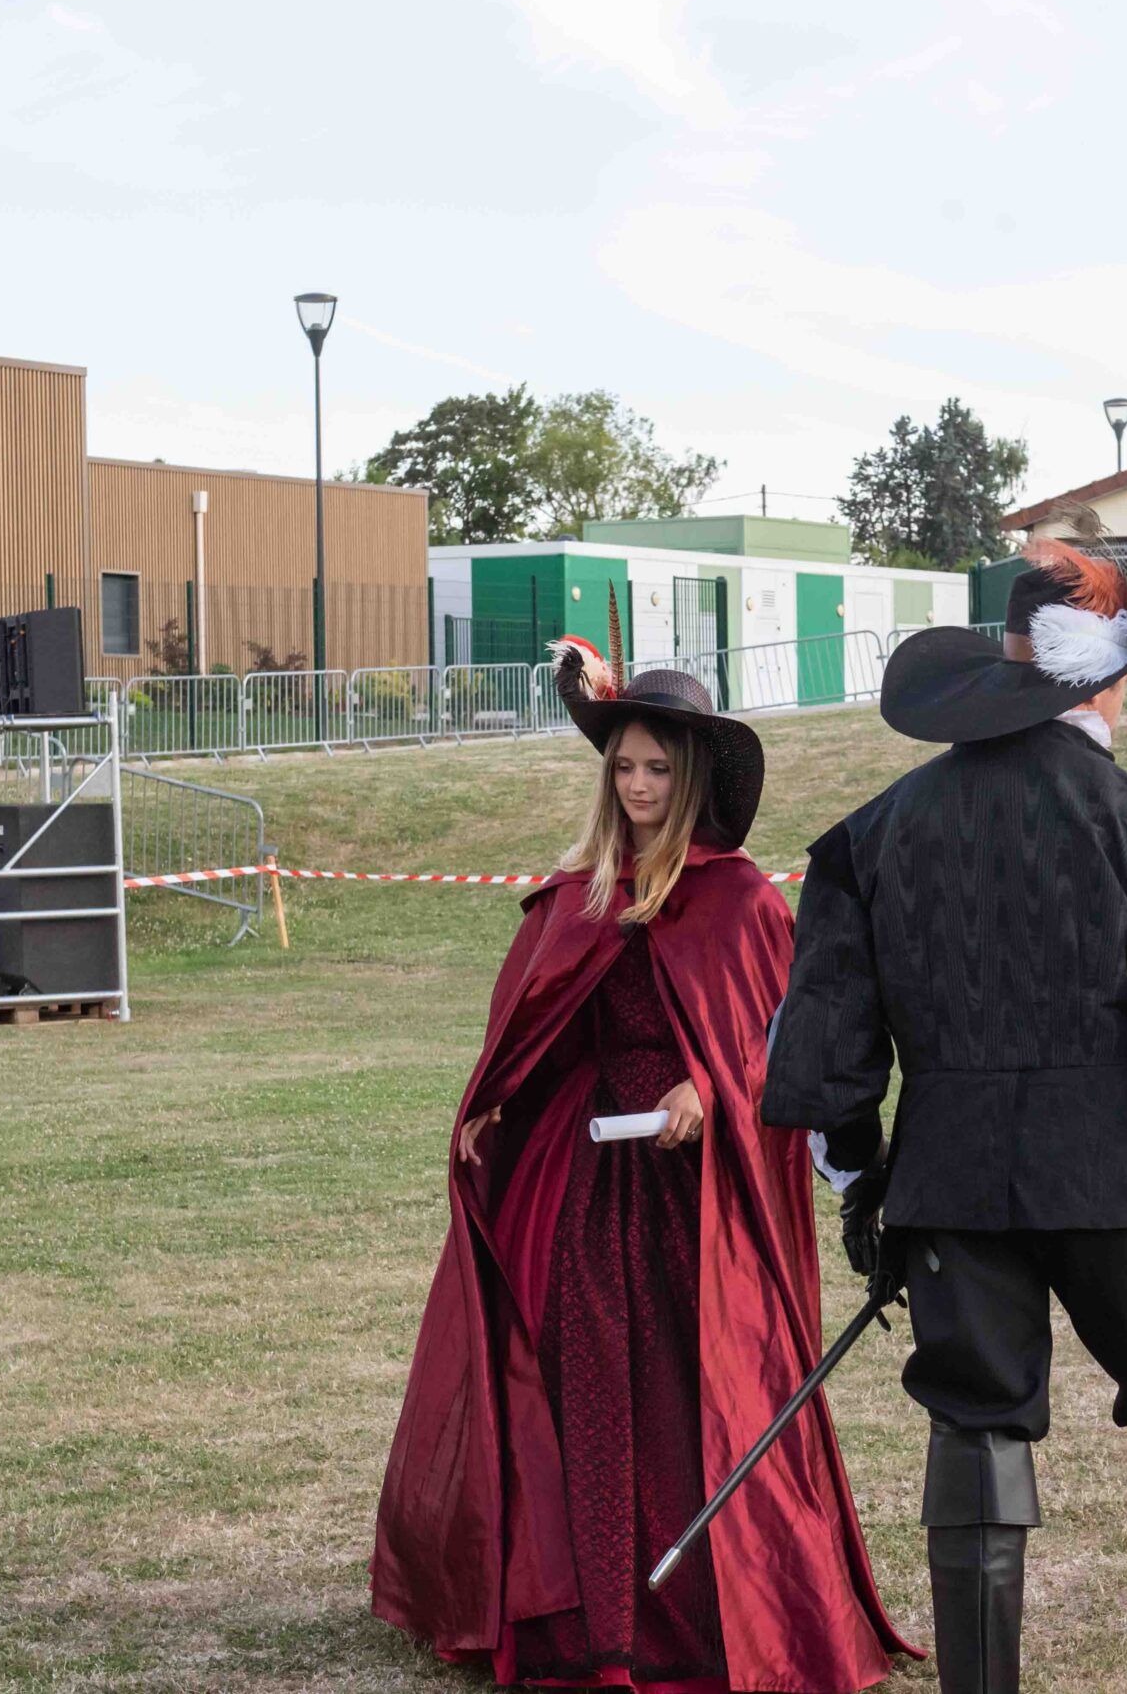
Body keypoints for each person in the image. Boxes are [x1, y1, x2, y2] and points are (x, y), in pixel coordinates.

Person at [762, 535, 1127, 1694]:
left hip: (949, 1187)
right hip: (1118, 1183)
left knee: (979, 1429)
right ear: (1103, 677)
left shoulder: (865, 839)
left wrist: (861, 1188)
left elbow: (827, 1057)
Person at [373, 615, 913, 1694]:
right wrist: (497, 1102)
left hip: (697, 1197)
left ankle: (712, 1618)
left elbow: (780, 1051)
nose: (636, 784)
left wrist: (707, 1088)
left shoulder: (740, 901)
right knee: (588, 1383)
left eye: (657, 766)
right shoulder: (580, 893)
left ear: (694, 771)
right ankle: (594, 1621)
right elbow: (542, 1025)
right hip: (589, 1181)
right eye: (621, 764)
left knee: (692, 1387)